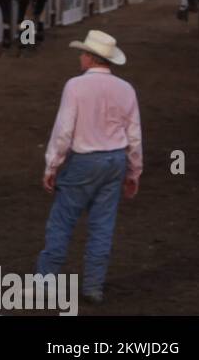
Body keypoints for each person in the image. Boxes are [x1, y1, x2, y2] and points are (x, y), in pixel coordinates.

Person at [38, 30, 143, 305]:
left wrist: (52, 165)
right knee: (102, 226)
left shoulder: (75, 86)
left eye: (82, 53)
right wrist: (134, 171)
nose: (80, 57)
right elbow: (134, 135)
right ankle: (93, 287)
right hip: (115, 161)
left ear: (89, 57)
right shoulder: (126, 89)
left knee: (61, 222)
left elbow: (64, 131)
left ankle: (46, 283)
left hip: (84, 161)